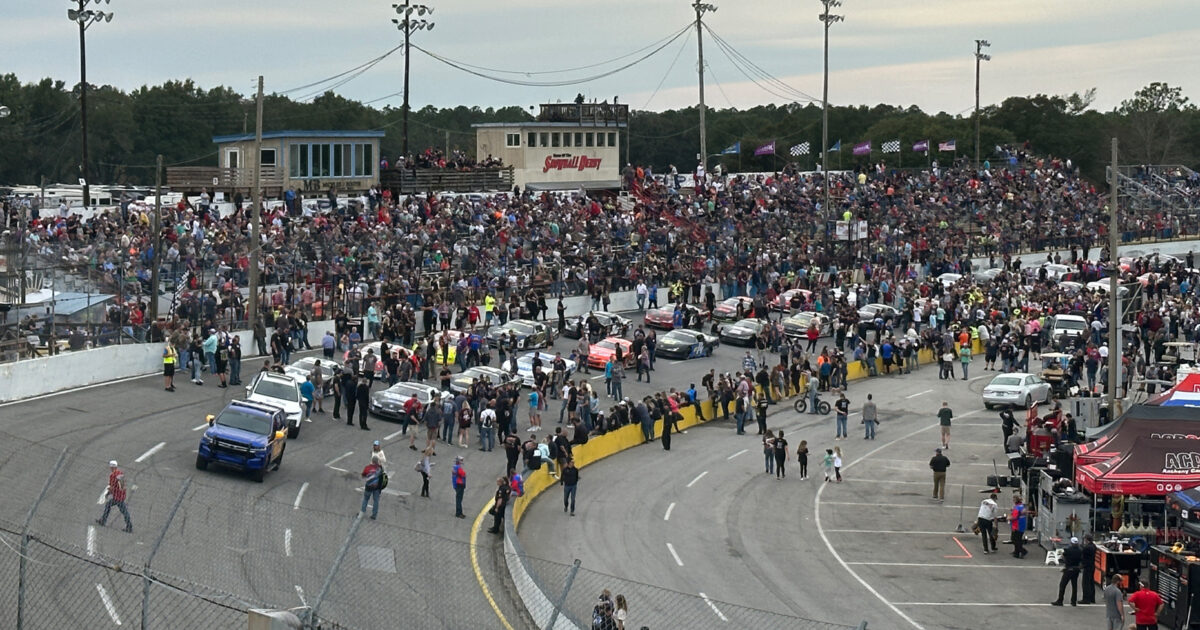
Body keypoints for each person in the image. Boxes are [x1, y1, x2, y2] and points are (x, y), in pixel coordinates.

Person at [96, 460, 133, 533]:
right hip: (122, 495)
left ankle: (129, 526)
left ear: (111, 467)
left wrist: (107, 493)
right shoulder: (120, 473)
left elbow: (112, 487)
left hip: (117, 496)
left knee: (123, 511)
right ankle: (103, 520)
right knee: (110, 506)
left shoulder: (113, 475)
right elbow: (122, 485)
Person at [1052, 536, 1083, 606]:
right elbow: (1081, 560)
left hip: (1069, 569)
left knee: (1063, 584)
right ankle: (1073, 601)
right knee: (1074, 586)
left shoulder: (1068, 550)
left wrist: (1066, 562)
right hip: (1076, 569)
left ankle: (1060, 600)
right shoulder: (1080, 550)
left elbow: (1063, 557)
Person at [360, 455, 383, 520]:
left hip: (368, 487)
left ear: (372, 461)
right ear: (377, 461)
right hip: (377, 488)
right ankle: (374, 515)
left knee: (365, 499)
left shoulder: (367, 467)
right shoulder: (380, 468)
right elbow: (381, 479)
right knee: (376, 501)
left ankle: (362, 512)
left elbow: (363, 476)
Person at [1081, 534, 1098, 604]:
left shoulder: (1087, 548)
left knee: (1085, 583)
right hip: (1092, 566)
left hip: (1087, 566)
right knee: (1091, 582)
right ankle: (1092, 598)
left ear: (1086, 540)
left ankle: (1086, 599)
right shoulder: (1094, 546)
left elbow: (1082, 555)